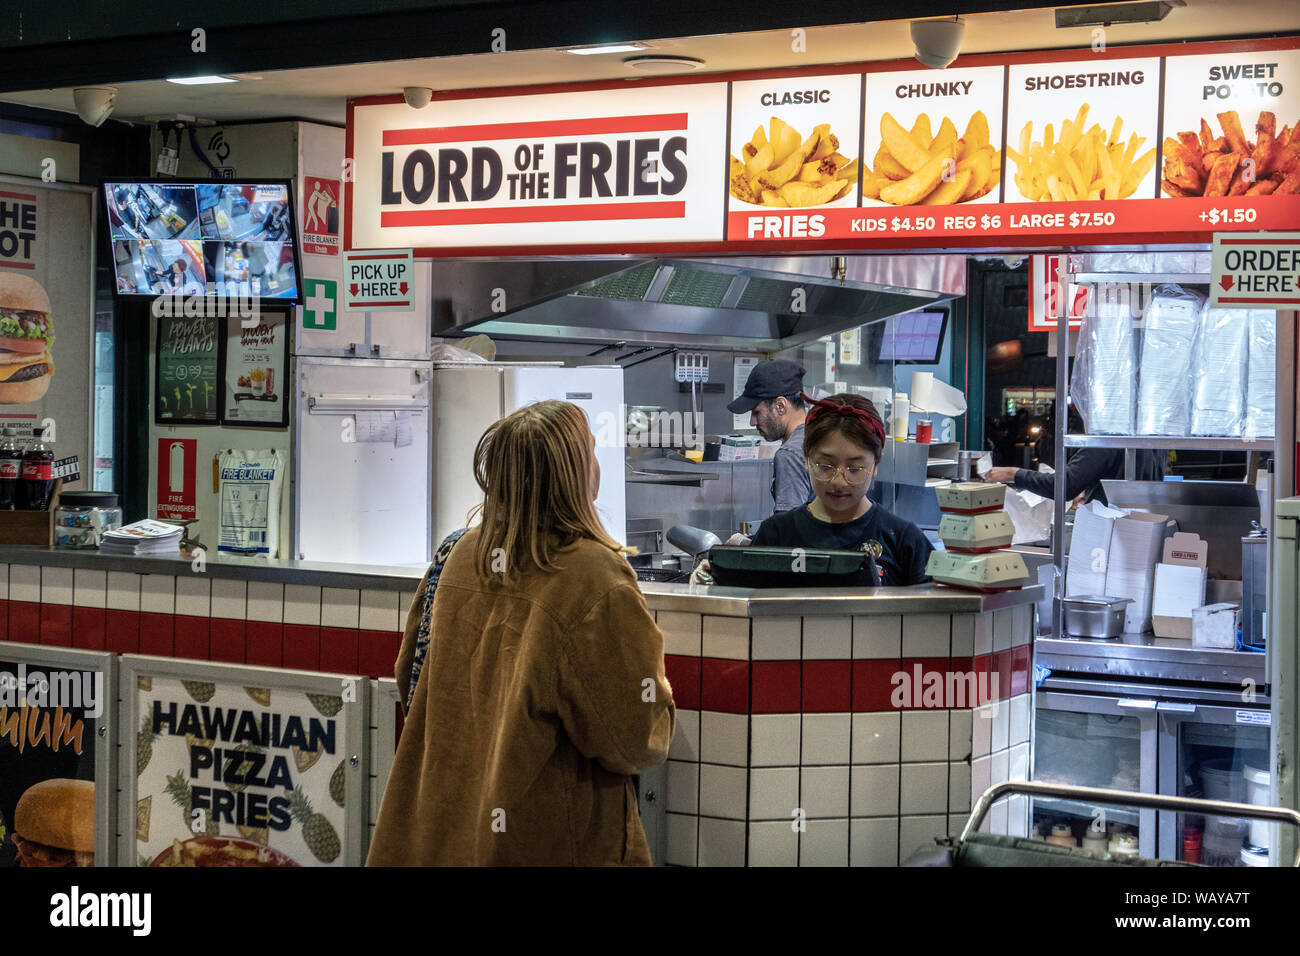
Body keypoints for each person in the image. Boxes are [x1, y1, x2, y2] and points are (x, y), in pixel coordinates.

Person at [367, 400, 675, 866]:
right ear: (576, 471)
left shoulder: (459, 552)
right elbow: (633, 738)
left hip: (438, 830)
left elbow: (410, 675)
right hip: (543, 839)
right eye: (591, 452)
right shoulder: (594, 575)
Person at [698, 393, 934, 587]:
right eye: (825, 466)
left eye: (855, 468)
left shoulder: (904, 541)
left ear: (876, 465)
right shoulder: (777, 535)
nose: (839, 482)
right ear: (807, 458)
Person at [987, 405, 1165, 506]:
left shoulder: (1106, 438)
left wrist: (1013, 473)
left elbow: (1066, 485)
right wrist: (1090, 488)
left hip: (1110, 534)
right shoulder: (1150, 437)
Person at [727, 359, 814, 513]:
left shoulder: (790, 455)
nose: (752, 422)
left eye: (756, 412)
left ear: (780, 406)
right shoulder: (819, 436)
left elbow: (789, 527)